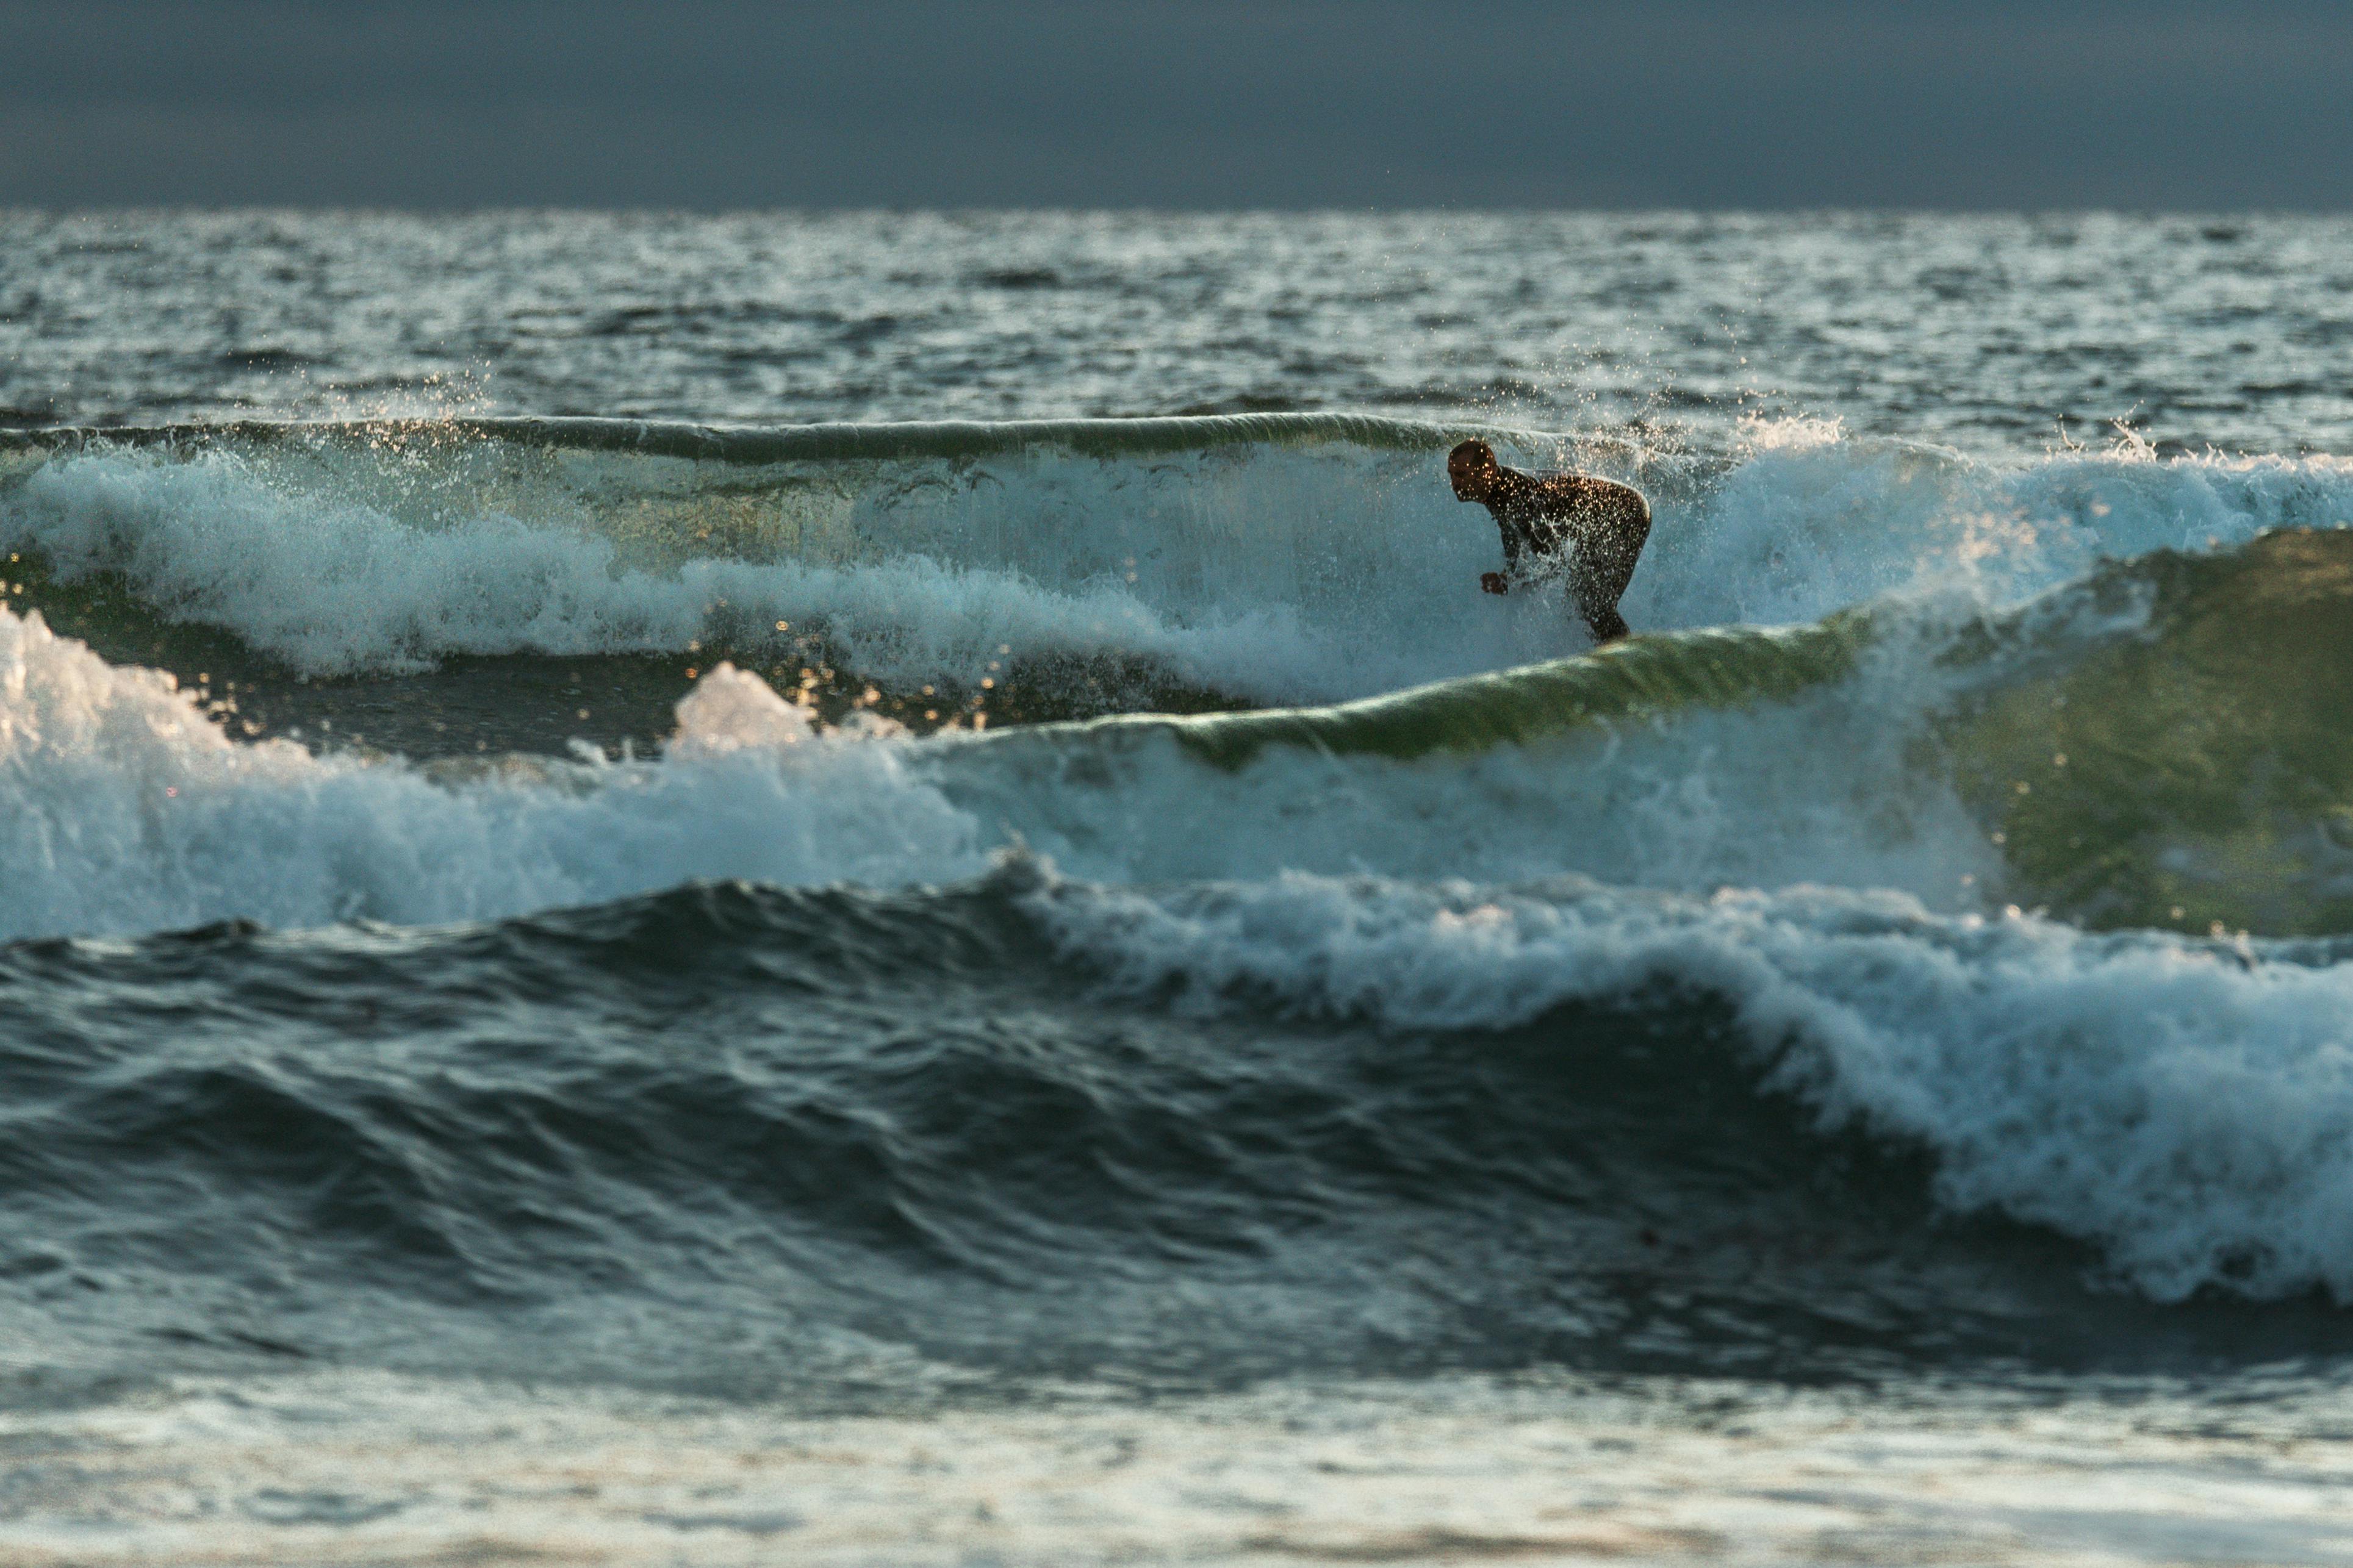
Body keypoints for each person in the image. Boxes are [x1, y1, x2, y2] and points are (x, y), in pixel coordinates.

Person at [1447, 438, 1651, 643]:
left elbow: (1551, 561)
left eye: (1461, 475)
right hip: (1601, 522)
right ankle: (1608, 658)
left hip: (1625, 513)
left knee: (1594, 606)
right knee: (1581, 600)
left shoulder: (1517, 496)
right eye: (1452, 475)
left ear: (1487, 471)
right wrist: (1509, 575)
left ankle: (1628, 663)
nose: (1454, 483)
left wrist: (1512, 581)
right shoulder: (1498, 490)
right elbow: (1512, 535)